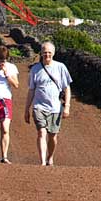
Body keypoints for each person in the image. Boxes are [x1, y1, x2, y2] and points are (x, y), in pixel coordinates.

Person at [27, 39, 74, 167]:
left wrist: (67, 107)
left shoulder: (60, 67)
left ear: (53, 53)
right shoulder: (35, 69)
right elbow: (31, 90)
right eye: (44, 52)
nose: (46, 55)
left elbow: (67, 88)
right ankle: (42, 161)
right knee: (41, 132)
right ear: (41, 53)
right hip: (39, 106)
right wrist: (27, 109)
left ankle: (50, 157)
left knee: (52, 136)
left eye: (49, 52)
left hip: (55, 108)